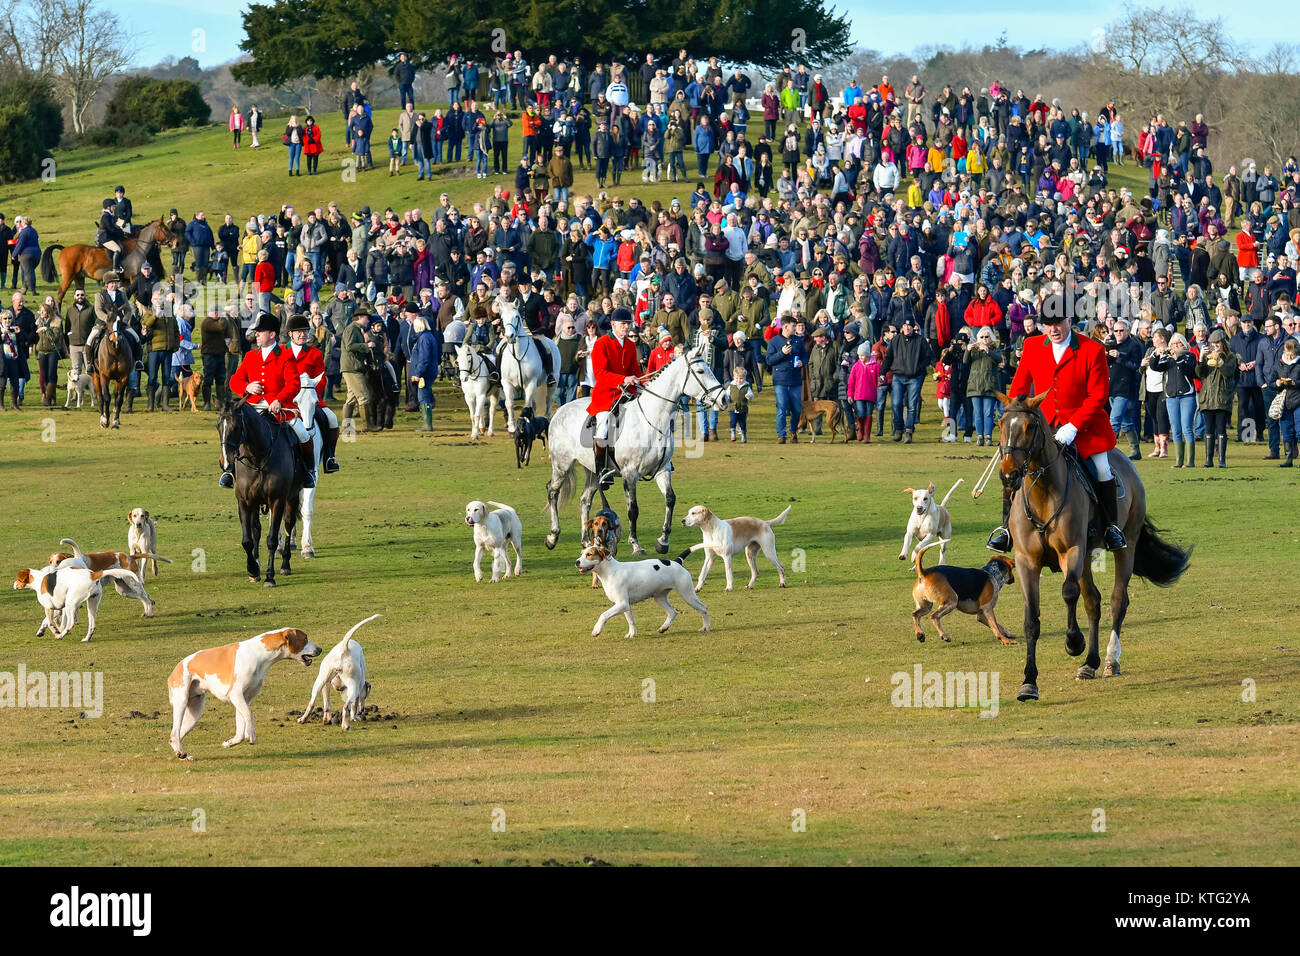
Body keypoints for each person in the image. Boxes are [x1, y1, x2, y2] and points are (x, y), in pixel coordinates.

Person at [986, 299, 1126, 554]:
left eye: (1058, 323)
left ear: (1069, 321)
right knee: (1013, 468)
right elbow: (1019, 388)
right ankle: (1006, 529)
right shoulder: (1032, 346)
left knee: (1103, 469)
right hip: (1042, 430)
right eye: (1048, 324)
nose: (1053, 329)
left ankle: (1111, 528)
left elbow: (1099, 395)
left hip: (1085, 428)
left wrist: (1073, 426)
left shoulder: (1092, 350)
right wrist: (1012, 416)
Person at [222, 312, 314, 489]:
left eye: (260, 331)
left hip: (279, 409)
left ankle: (308, 471)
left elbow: (294, 384)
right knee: (234, 432)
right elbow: (234, 381)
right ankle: (229, 471)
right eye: (256, 332)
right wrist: (246, 388)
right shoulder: (250, 356)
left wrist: (279, 400)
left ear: (272, 334)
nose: (256, 334)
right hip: (252, 408)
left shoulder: (286, 356)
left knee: (303, 433)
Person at [586, 306, 642, 489]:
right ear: (613, 325)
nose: (626, 327)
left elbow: (635, 371)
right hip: (606, 394)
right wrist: (623, 379)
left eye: (628, 324)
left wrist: (643, 383)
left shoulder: (631, 345)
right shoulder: (601, 344)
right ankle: (601, 471)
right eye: (623, 324)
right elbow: (600, 373)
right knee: (603, 429)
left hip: (628, 393)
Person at [287, 313, 341, 472]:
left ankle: (330, 457)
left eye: (305, 331)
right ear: (290, 334)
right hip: (287, 401)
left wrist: (311, 396)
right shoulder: (281, 352)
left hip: (309, 399)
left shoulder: (315, 353)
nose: (302, 334)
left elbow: (321, 378)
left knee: (332, 418)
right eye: (298, 331)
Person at [84, 272, 144, 374]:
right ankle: (90, 364)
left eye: (115, 283)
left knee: (136, 337)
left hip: (120, 323)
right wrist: (108, 320)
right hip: (103, 324)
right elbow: (98, 310)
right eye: (111, 283)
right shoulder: (99, 295)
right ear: (106, 284)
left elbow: (128, 310)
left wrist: (124, 321)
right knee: (90, 340)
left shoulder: (122, 294)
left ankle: (138, 361)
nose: (114, 285)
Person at [1195, 327, 1236, 468]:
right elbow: (1200, 374)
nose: (1215, 346)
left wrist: (1219, 361)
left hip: (1222, 398)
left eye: (1218, 343)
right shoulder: (1207, 357)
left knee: (1221, 428)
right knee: (1209, 429)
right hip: (1207, 398)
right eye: (1213, 343)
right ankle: (1208, 460)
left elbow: (1228, 373)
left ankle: (1221, 460)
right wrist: (1201, 358)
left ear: (1223, 342)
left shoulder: (1230, 356)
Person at [766, 316, 807, 443]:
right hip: (780, 380)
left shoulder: (798, 341)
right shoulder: (774, 342)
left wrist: (802, 362)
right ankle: (781, 435)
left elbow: (805, 356)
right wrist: (781, 353)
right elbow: (769, 360)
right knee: (782, 408)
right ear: (785, 327)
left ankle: (793, 430)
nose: (795, 329)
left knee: (797, 409)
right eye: (793, 326)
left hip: (795, 380)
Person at [96, 199, 127, 274]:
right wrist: (121, 233)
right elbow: (111, 229)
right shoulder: (105, 216)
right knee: (118, 249)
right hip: (105, 238)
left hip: (109, 236)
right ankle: (115, 268)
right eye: (113, 206)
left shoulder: (109, 215)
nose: (114, 208)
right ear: (108, 207)